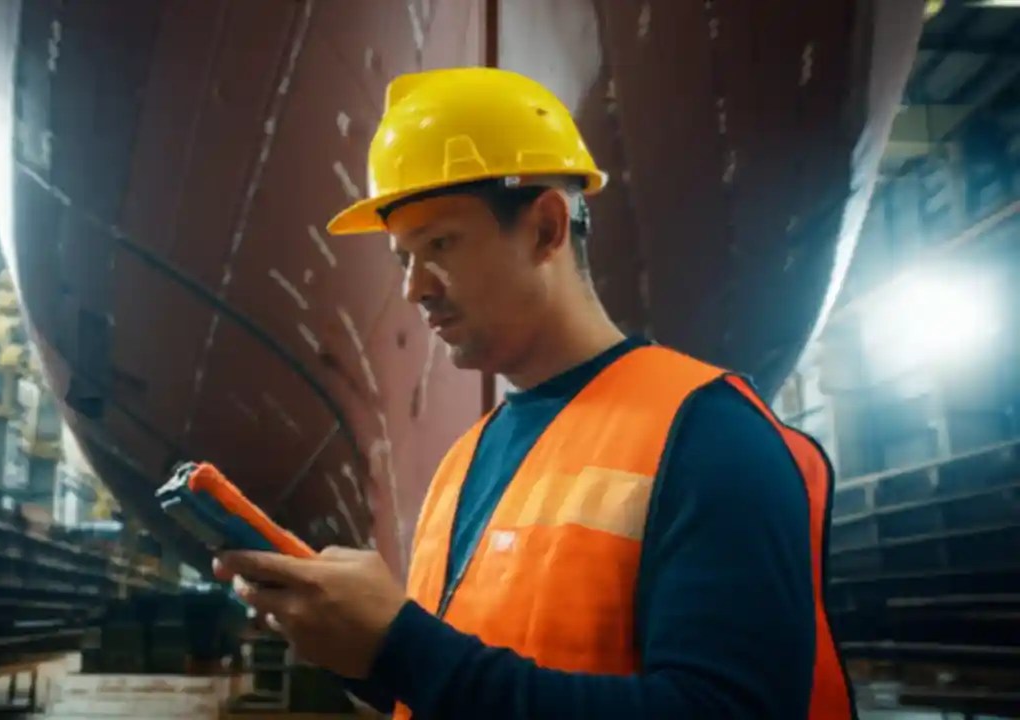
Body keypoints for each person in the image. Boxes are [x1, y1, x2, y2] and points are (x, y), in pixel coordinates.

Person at [214, 67, 854, 719]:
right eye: (403, 257)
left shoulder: (710, 435)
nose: (413, 288)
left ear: (547, 227)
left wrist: (402, 645)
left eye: (439, 244)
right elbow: (458, 680)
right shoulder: (464, 461)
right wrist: (359, 653)